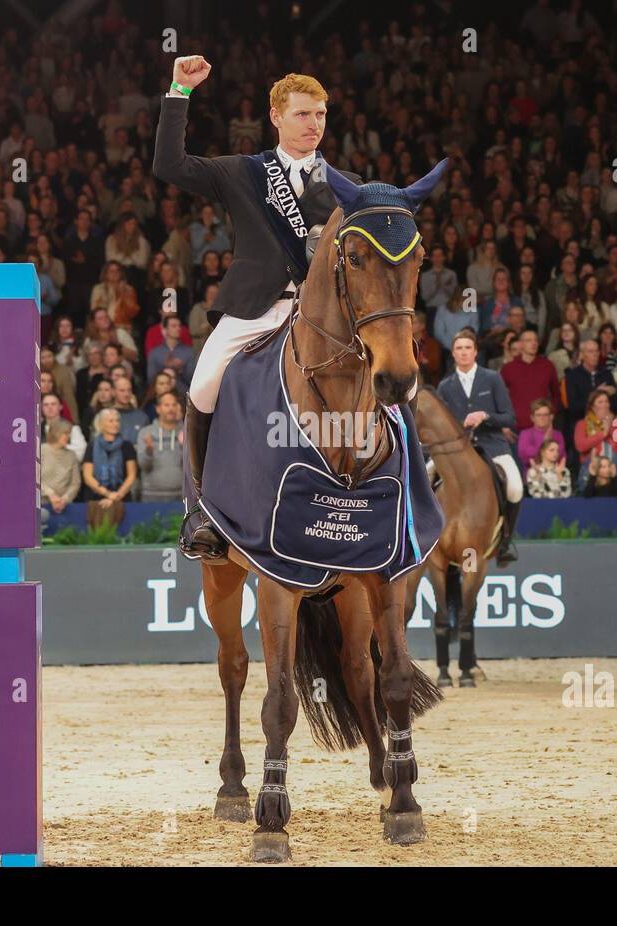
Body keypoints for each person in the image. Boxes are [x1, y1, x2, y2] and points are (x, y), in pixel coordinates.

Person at [153, 59, 363, 561]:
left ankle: (388, 494)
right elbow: (169, 165)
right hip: (255, 310)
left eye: (321, 115)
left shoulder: (346, 183)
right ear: (275, 117)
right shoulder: (243, 172)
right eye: (303, 114)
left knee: (390, 385)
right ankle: (201, 509)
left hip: (326, 319)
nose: (314, 124)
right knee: (203, 386)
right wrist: (180, 89)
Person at [437, 329, 523, 565]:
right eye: (459, 349)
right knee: (424, 475)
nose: (464, 352)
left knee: (515, 487)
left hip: (492, 445)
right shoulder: (445, 386)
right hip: (457, 449)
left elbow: (509, 417)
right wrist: (458, 425)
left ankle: (506, 541)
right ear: (453, 354)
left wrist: (485, 415)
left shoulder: (492, 378)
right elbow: (440, 425)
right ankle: (424, 539)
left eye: (468, 348)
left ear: (475, 352)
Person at [81, 407, 138, 527]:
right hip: (96, 499)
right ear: (101, 424)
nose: (115, 424)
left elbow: (132, 475)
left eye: (117, 421)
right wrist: (108, 494)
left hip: (122, 498)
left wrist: (115, 497)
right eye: (111, 421)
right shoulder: (92, 446)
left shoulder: (126, 445)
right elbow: (87, 476)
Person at [136, 391, 186, 502]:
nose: (171, 408)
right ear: (158, 409)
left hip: (180, 496)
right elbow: (144, 466)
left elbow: (191, 468)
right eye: (167, 405)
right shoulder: (146, 433)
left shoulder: (186, 433)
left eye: (174, 405)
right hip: (151, 496)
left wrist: (185, 449)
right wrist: (149, 451)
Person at [40, 419, 82, 515]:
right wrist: (50, 494)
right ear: (56, 433)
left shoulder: (71, 455)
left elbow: (76, 482)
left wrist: (65, 499)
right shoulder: (40, 451)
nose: (68, 437)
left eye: (69, 434)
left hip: (64, 505)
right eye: (65, 433)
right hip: (40, 504)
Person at [146, 313, 196, 390]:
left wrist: (180, 369)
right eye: (174, 326)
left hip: (182, 395)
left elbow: (193, 381)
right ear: (165, 330)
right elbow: (151, 380)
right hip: (161, 397)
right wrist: (166, 367)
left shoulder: (189, 352)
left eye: (179, 326)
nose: (178, 328)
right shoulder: (155, 353)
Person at [517, 399, 565, 473]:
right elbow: (525, 458)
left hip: (555, 476)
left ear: (551, 417)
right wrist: (544, 442)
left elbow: (560, 457)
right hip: (533, 478)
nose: (542, 418)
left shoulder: (558, 434)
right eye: (538, 415)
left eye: (545, 414)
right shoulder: (525, 434)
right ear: (532, 417)